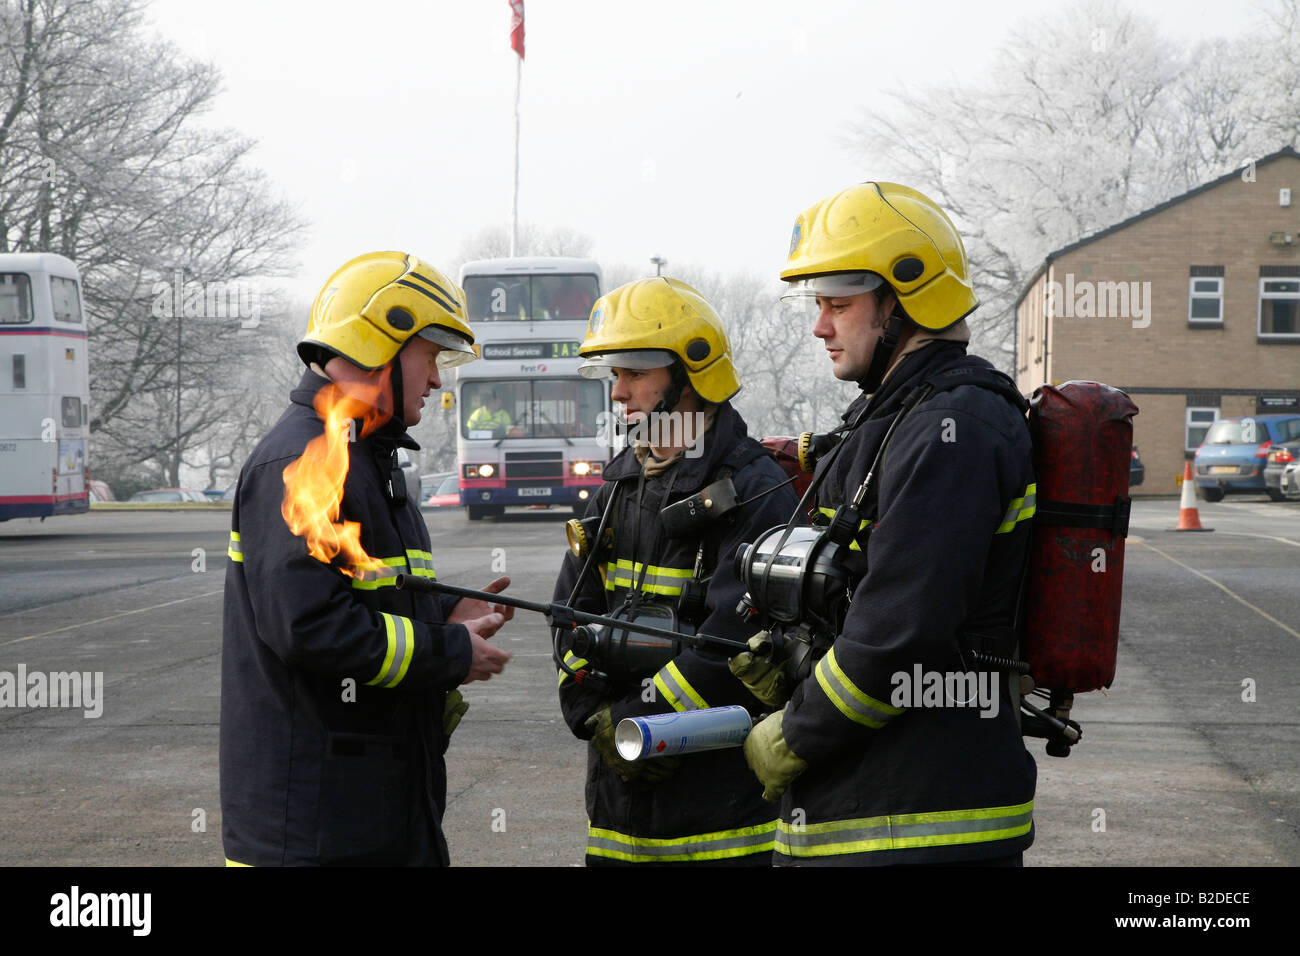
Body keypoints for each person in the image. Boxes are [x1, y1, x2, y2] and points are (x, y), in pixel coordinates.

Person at [739, 182, 1038, 865]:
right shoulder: (898, 417)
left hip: (919, 827)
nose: (820, 327)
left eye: (838, 305)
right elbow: (855, 595)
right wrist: (792, 659)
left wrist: (797, 732)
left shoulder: (950, 427)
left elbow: (900, 630)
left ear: (906, 298)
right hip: (876, 814)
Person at [220, 251, 514, 866]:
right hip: (314, 831)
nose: (438, 380)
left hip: (370, 814)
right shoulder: (303, 463)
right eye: (431, 356)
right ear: (381, 346)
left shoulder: (364, 462)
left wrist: (446, 610)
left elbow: (373, 592)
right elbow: (311, 627)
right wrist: (451, 651)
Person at [552, 276, 799, 866]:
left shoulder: (754, 489)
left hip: (722, 823)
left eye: (634, 374)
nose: (618, 393)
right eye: (614, 375)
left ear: (691, 374)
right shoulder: (617, 486)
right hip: (617, 812)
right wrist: (595, 717)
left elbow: (737, 644)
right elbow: (569, 614)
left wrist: (640, 718)